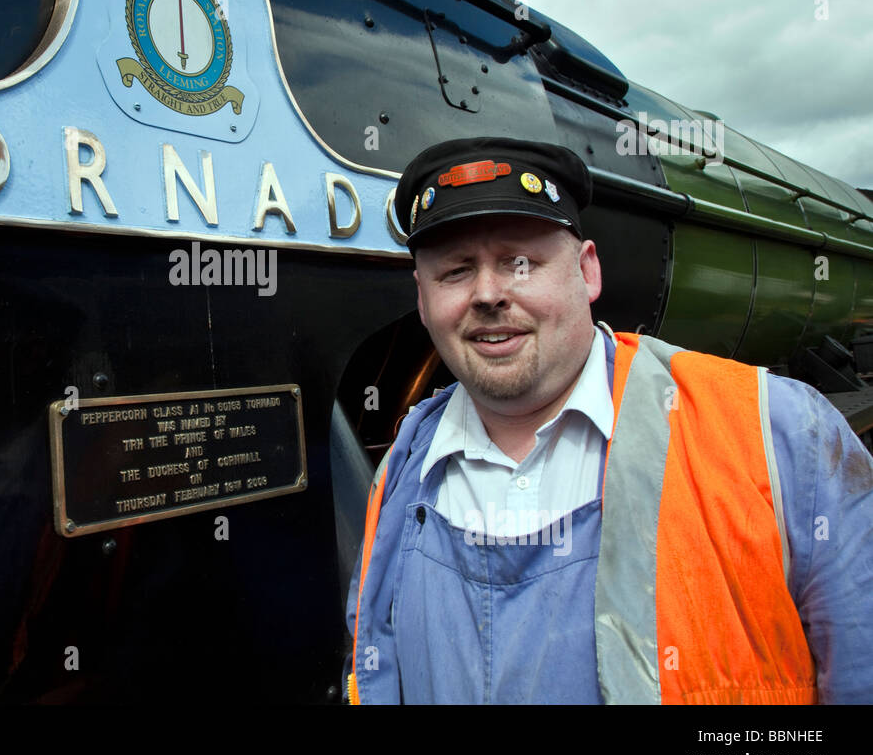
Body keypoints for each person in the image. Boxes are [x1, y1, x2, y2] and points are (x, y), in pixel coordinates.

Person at [345, 137, 873, 704]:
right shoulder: (403, 466)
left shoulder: (777, 432)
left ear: (587, 271)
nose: (488, 294)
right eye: (454, 272)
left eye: (520, 263)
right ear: (423, 300)